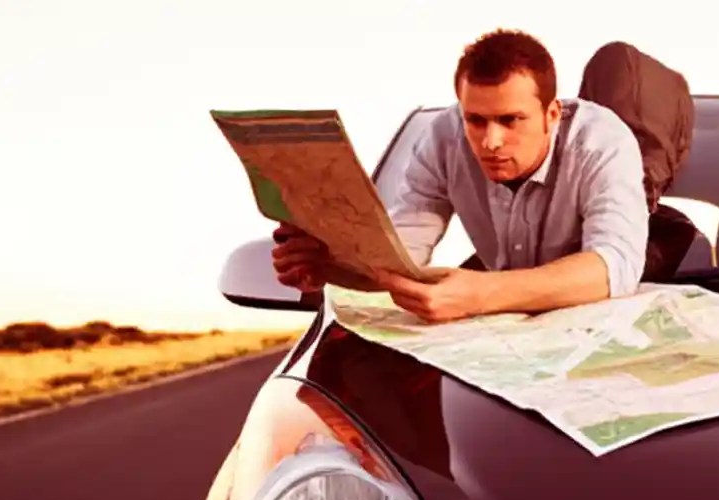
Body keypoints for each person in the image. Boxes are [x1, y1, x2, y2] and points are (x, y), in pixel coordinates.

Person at [273, 29, 650, 322]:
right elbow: (404, 251)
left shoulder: (603, 142)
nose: (491, 141)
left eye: (510, 120)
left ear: (553, 114)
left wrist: (481, 295)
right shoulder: (442, 139)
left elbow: (614, 266)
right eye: (475, 120)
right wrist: (333, 262)